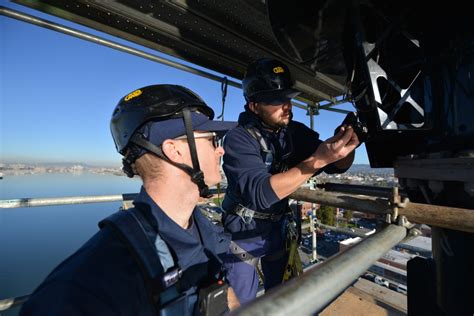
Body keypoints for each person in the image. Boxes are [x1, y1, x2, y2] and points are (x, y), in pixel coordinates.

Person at [20, 84, 240, 315]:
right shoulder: (96, 281)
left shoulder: (201, 229)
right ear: (175, 151)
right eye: (212, 140)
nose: (220, 150)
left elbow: (220, 290)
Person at [221, 58, 360, 304]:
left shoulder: (293, 132)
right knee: (239, 306)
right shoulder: (238, 139)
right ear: (254, 106)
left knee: (284, 300)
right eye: (276, 100)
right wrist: (320, 158)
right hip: (244, 231)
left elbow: (336, 165)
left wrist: (345, 144)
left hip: (279, 227)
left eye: (287, 98)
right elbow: (261, 193)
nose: (286, 106)